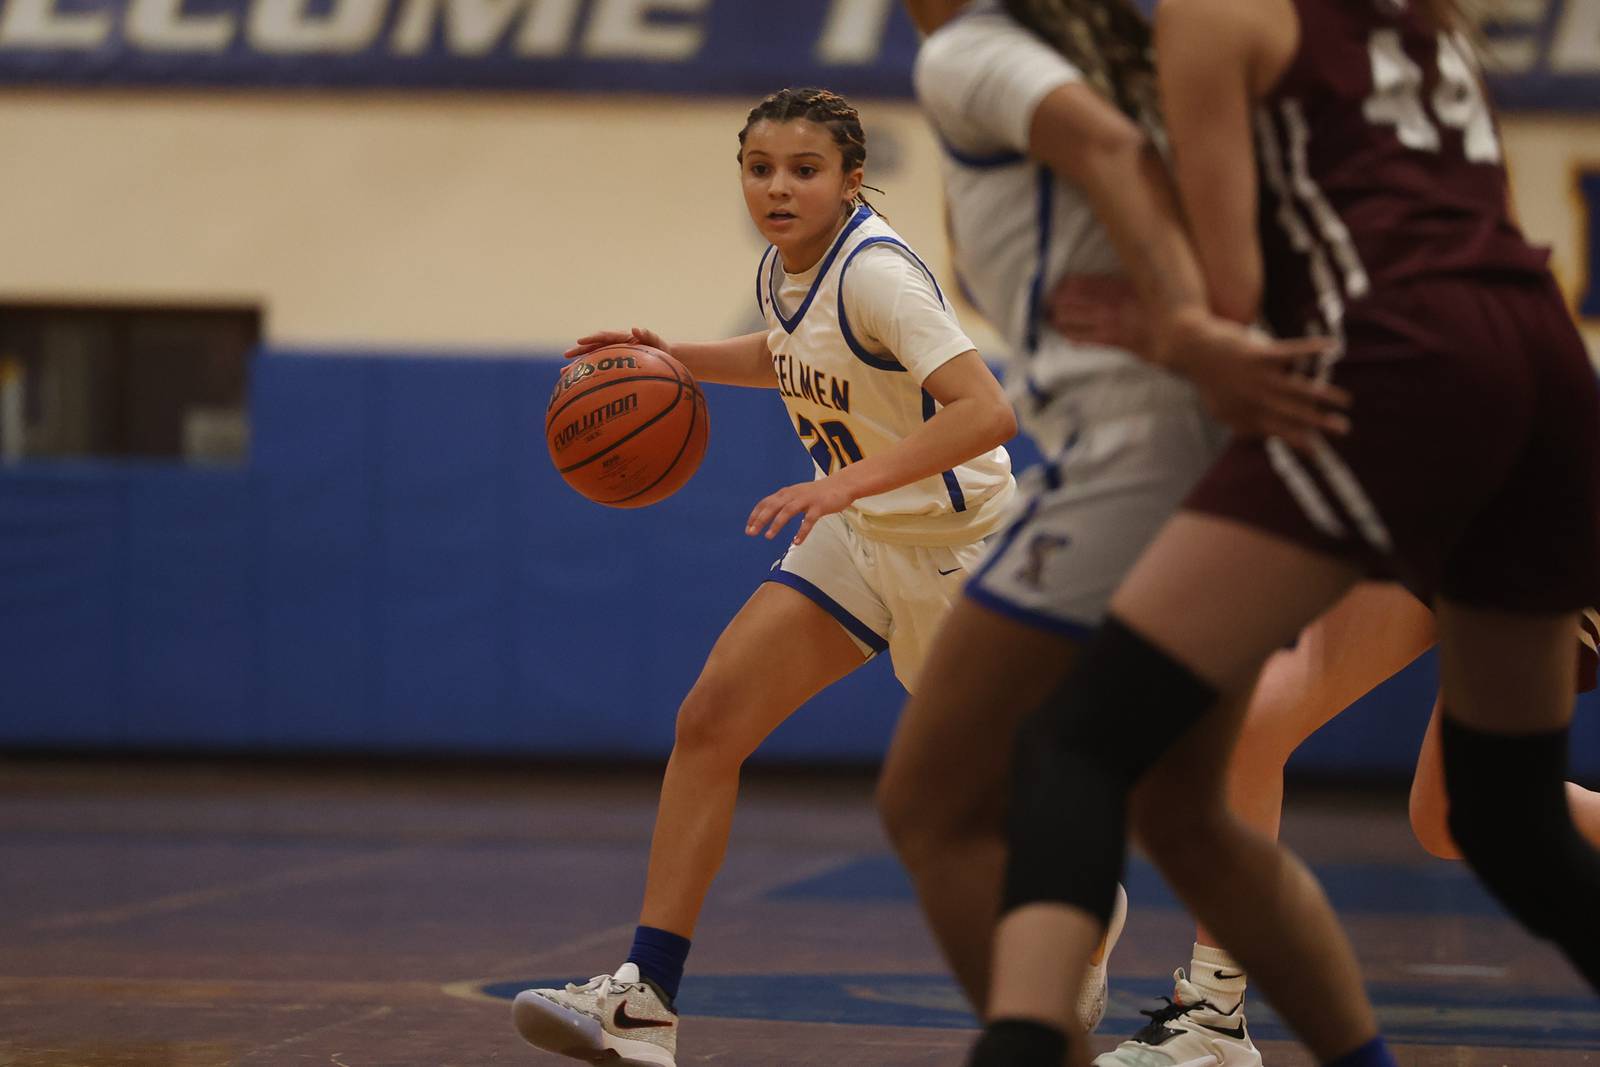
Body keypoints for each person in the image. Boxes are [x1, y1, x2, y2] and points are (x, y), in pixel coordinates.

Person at [965, 0, 1600, 1062]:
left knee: (1084, 734)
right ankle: (1213, 1014)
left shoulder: (1216, 12)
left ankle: (1076, 1033)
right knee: (1482, 815)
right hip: (1539, 382)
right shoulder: (1420, 18)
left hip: (1412, 377)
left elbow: (1235, 292)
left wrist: (1140, 316)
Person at [510, 85, 1025, 1067]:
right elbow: (785, 352)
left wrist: (844, 484)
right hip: (860, 532)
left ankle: (1071, 930)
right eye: (759, 169)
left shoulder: (878, 274)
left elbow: (985, 410)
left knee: (994, 806)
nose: (778, 188)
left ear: (850, 180)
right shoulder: (783, 269)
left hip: (959, 550)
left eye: (803, 170)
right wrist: (669, 358)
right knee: (711, 720)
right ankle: (644, 998)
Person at [877, 0, 1344, 1041]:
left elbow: (1110, 148)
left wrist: (1183, 322)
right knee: (1189, 816)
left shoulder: (976, 52)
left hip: (1133, 456)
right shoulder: (1116, 60)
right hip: (1212, 454)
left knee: (931, 800)